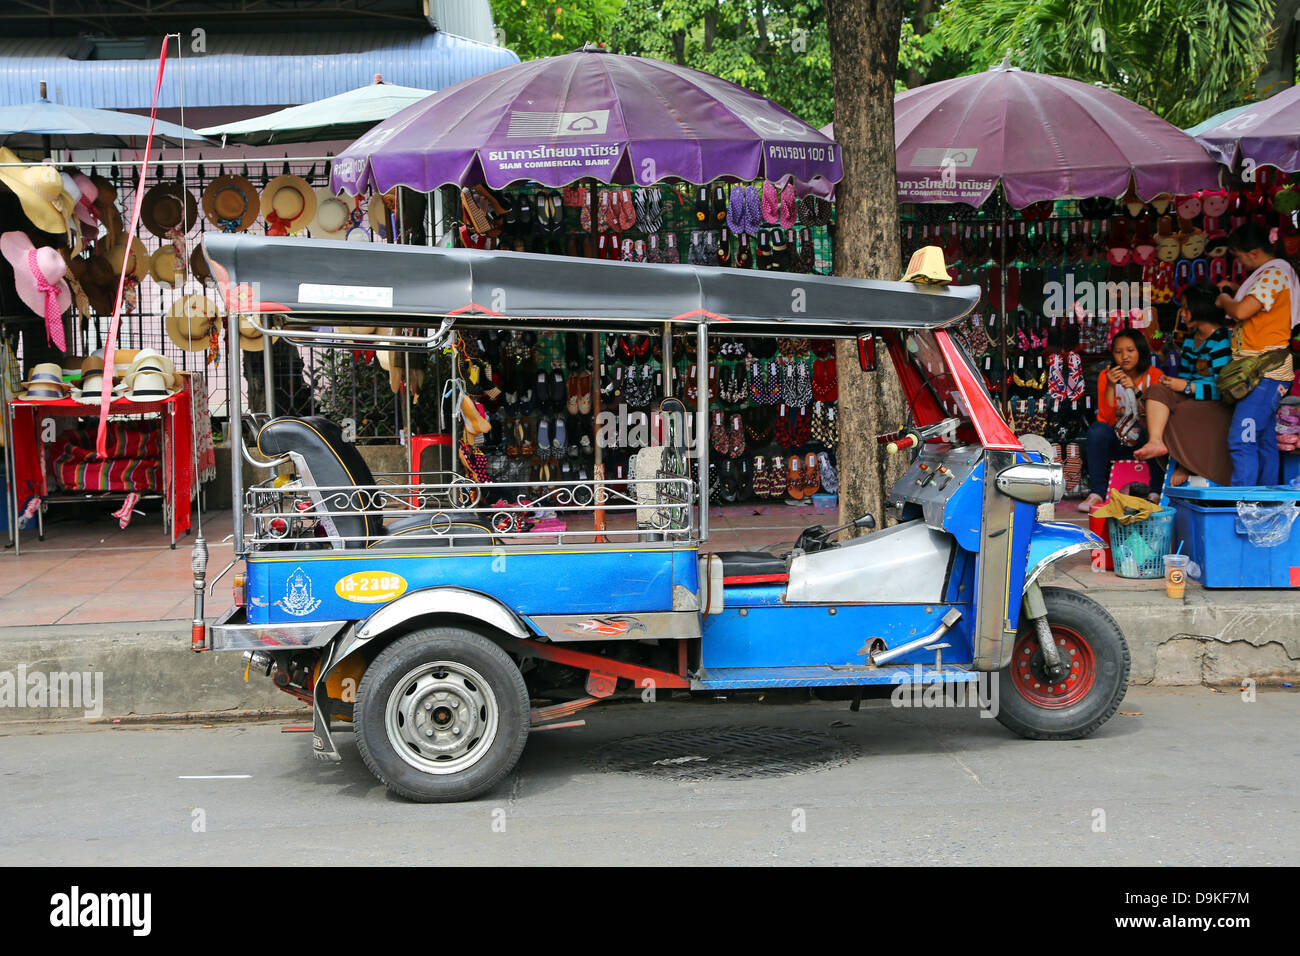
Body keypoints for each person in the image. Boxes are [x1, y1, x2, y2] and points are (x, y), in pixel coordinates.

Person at [1215, 224, 1298, 486]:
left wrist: (1224, 299)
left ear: (1253, 253)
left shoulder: (1274, 273)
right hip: (1270, 372)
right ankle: (1265, 501)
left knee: (1242, 439)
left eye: (1239, 256)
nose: (1239, 262)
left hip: (1266, 372)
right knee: (1263, 440)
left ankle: (1243, 502)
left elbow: (1241, 311)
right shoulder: (1276, 272)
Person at [1133, 283, 1234, 485]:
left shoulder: (1222, 340)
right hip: (1192, 395)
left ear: (1202, 309)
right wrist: (1172, 383)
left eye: (1187, 309)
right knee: (1156, 391)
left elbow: (1224, 389)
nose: (1183, 315)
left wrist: (1187, 387)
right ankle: (1155, 442)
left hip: (1216, 403)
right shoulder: (1190, 340)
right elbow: (1185, 377)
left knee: (1180, 411)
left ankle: (1186, 464)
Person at [1078, 329, 1163, 511]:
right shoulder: (1106, 376)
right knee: (1097, 430)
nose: (1124, 356)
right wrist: (1110, 385)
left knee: (1154, 432)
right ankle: (1097, 493)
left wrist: (1135, 390)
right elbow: (1106, 419)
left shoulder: (1154, 375)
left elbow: (1153, 416)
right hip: (1118, 441)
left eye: (1130, 350)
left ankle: (1155, 492)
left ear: (1140, 351)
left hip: (1145, 441)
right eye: (1118, 352)